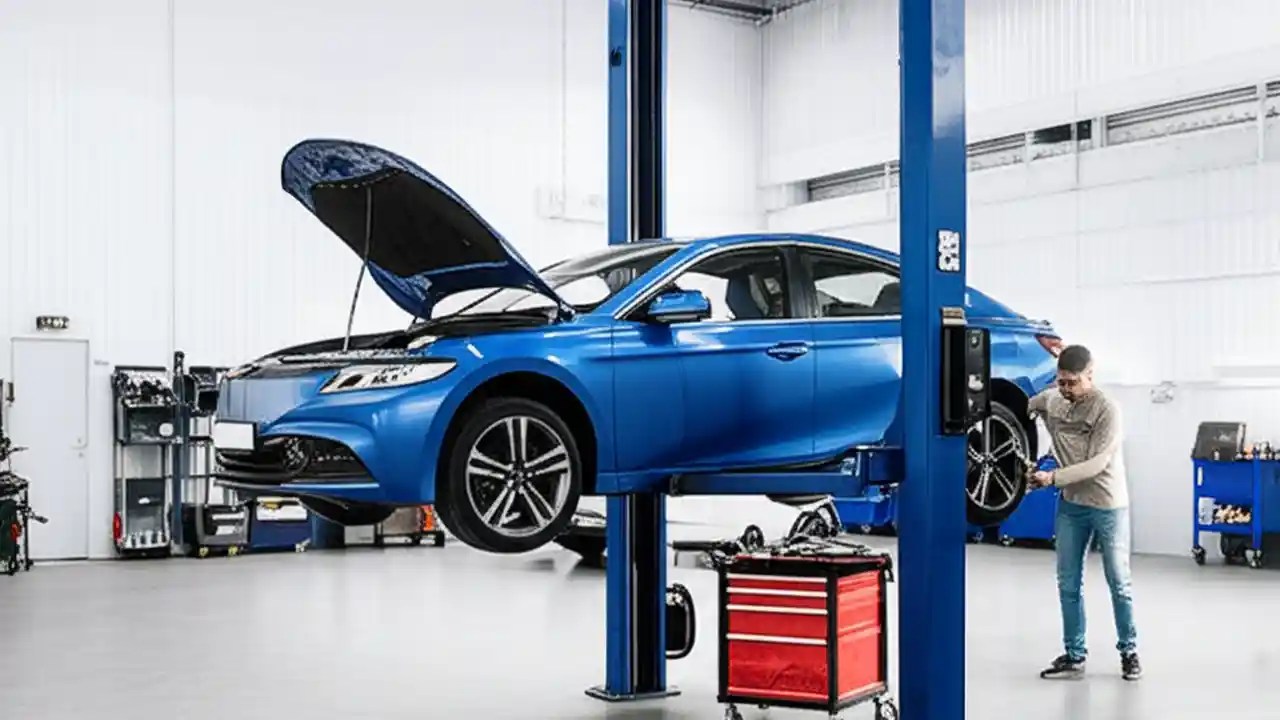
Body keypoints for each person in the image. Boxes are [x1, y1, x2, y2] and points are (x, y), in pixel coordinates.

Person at [1027, 345, 1141, 682]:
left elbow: (1097, 464)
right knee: (1067, 582)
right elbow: (1022, 408)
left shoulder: (1107, 410)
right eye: (1061, 382)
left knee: (1118, 581)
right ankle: (1075, 654)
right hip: (1071, 505)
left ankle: (1129, 652)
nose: (1065, 389)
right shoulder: (1053, 400)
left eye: (1073, 383)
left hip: (1108, 506)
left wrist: (1052, 478)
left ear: (1090, 376)